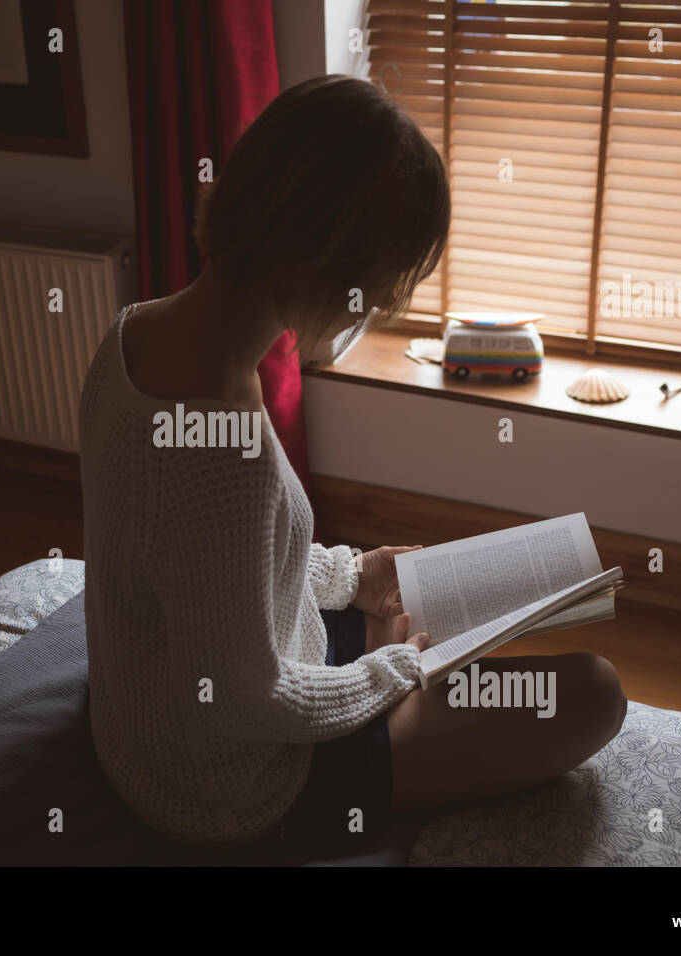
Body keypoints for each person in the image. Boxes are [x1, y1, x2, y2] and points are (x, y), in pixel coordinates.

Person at [79, 75, 626, 857]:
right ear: (338, 270)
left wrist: (350, 573)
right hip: (229, 786)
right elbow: (245, 699)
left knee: (434, 597)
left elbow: (207, 575)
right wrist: (391, 671)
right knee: (592, 696)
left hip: (162, 729)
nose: (374, 309)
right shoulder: (219, 451)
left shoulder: (131, 335)